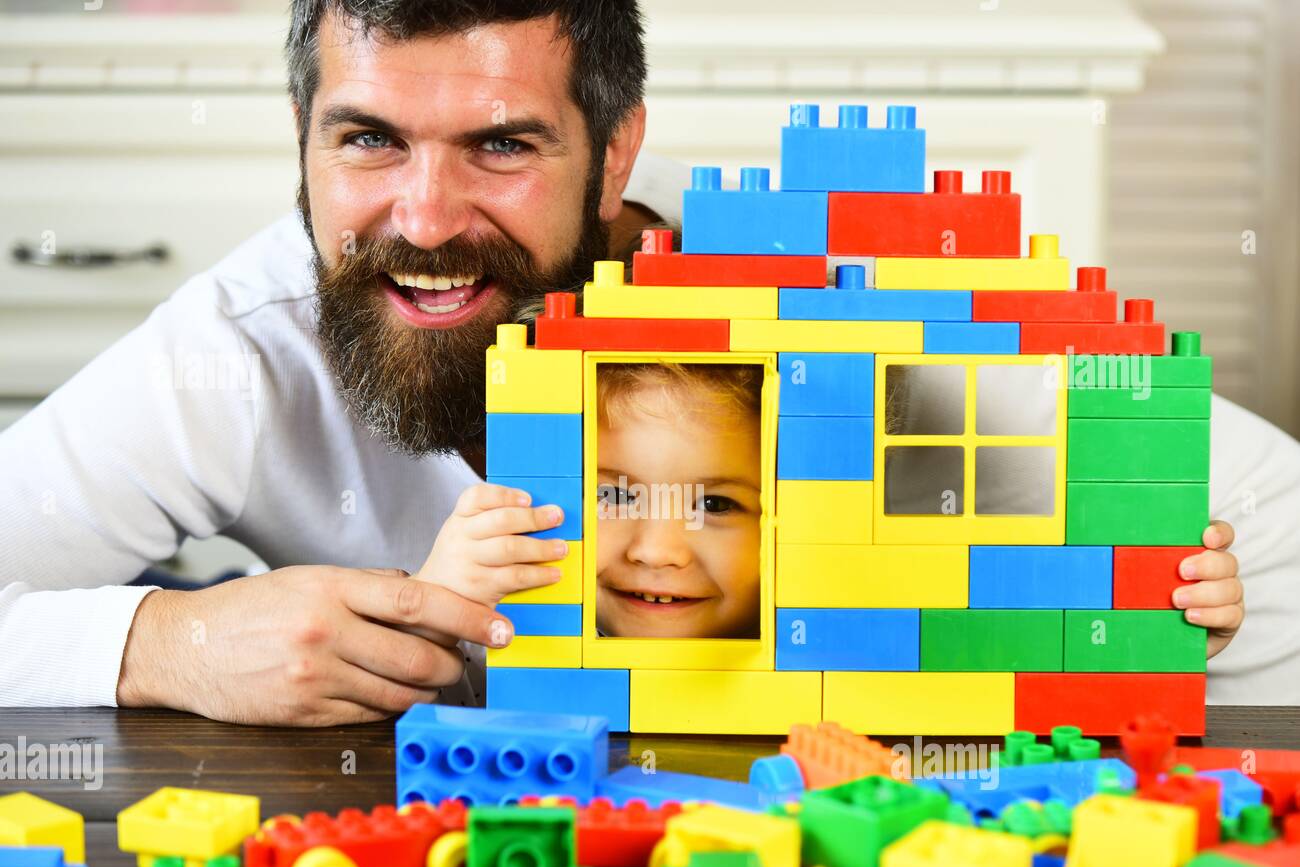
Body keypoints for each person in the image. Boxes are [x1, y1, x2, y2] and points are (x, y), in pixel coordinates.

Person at [0, 1, 1259, 723]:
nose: (426, 217)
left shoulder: (835, 328)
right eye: (370, 138)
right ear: (301, 136)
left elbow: (1143, 513)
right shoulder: (238, 345)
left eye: (501, 145)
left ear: (615, 153)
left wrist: (1139, 595)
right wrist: (166, 644)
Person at [421, 361, 765, 640]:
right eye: (614, 496)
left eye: (713, 505)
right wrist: (436, 613)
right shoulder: (507, 624)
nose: (655, 552)